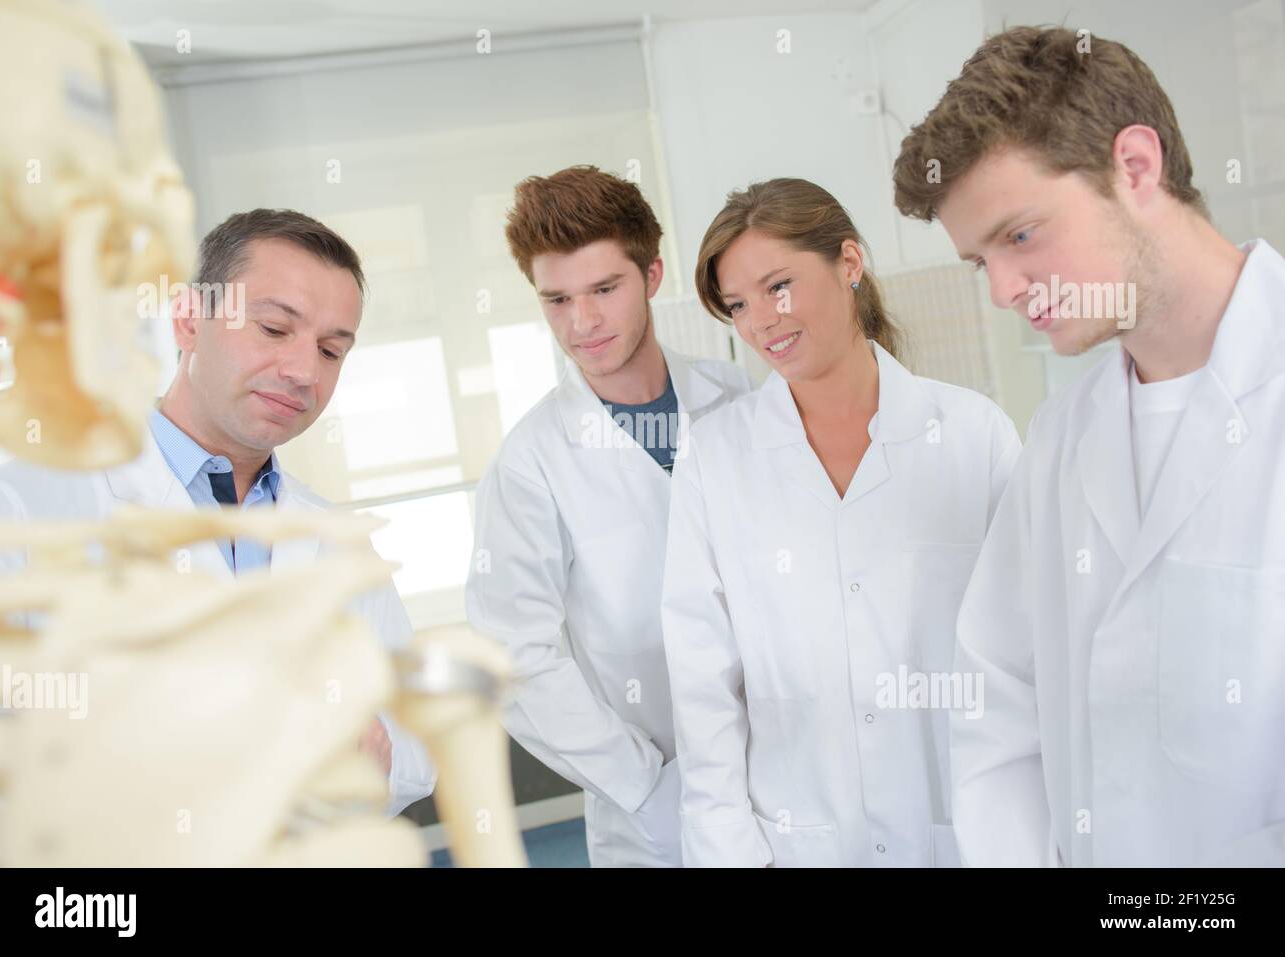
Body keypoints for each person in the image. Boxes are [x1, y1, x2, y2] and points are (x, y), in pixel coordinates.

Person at [893, 25, 1285, 866]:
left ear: (1135, 167)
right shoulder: (1061, 442)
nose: (1003, 290)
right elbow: (999, 704)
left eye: (1021, 235)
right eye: (978, 262)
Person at [0, 208, 434, 817]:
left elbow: (413, 747)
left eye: (331, 351)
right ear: (188, 319)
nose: (304, 371)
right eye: (274, 329)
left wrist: (366, 763)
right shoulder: (25, 506)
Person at [661, 178, 1020, 867]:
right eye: (738, 304)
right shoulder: (715, 457)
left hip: (963, 830)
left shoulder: (974, 434)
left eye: (779, 287)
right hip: (797, 840)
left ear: (848, 263)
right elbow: (704, 683)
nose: (761, 320)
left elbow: (1028, 649)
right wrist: (730, 852)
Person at [465, 165, 750, 867]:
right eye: (556, 299)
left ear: (652, 275)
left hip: (785, 769)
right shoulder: (530, 462)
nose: (581, 322)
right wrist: (645, 782)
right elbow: (515, 654)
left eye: (603, 289)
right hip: (655, 811)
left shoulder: (736, 395)